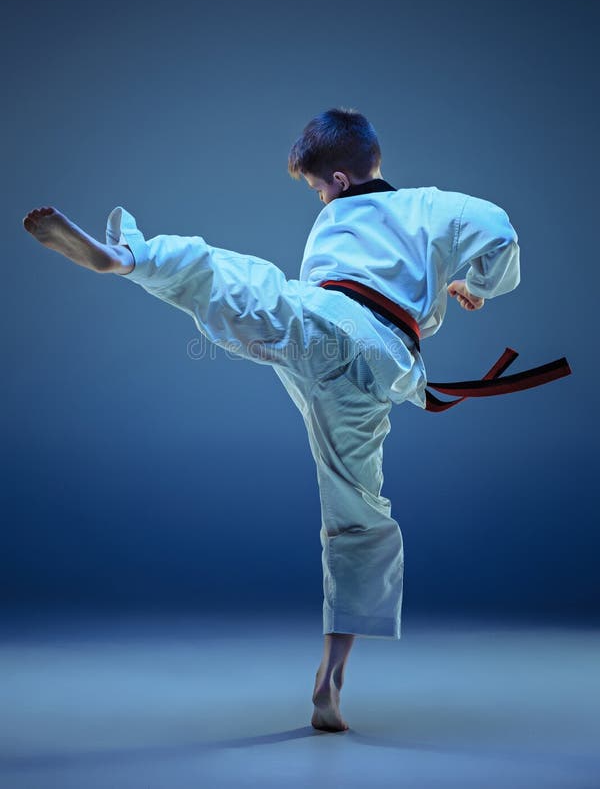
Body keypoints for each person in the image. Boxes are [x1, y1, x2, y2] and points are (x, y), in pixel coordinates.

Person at [22, 107, 520, 732]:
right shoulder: (432, 206)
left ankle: (127, 257)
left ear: (337, 181)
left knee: (240, 282)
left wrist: (467, 280)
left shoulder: (343, 216)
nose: (318, 198)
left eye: (316, 189)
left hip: (331, 326)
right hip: (380, 370)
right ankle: (329, 684)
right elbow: (499, 229)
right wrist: (479, 282)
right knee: (358, 515)